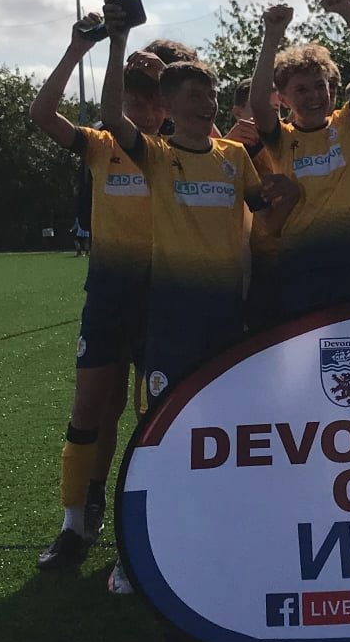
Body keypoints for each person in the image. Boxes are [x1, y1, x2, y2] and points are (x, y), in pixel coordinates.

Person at [28, 8, 170, 570]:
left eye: (156, 98)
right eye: (136, 100)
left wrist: (159, 62)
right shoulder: (101, 145)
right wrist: (78, 51)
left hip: (165, 297)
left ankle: (151, 525)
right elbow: (42, 114)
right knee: (92, 412)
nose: (145, 109)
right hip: (110, 295)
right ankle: (76, 524)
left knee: (157, 417)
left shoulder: (183, 149)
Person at [100, 33, 279, 416]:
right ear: (168, 105)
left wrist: (290, 198)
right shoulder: (155, 155)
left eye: (212, 95)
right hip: (171, 315)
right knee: (162, 417)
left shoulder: (234, 154)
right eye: (196, 96)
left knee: (223, 414)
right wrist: (118, 44)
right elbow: (113, 116)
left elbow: (270, 222)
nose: (209, 103)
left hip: (226, 314)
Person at [248, 0, 350, 316]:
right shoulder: (280, 138)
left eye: (320, 86)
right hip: (300, 269)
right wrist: (272, 36)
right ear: (284, 99)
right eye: (300, 90)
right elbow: (258, 103)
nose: (313, 96)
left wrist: (349, 13)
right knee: (308, 361)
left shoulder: (346, 124)